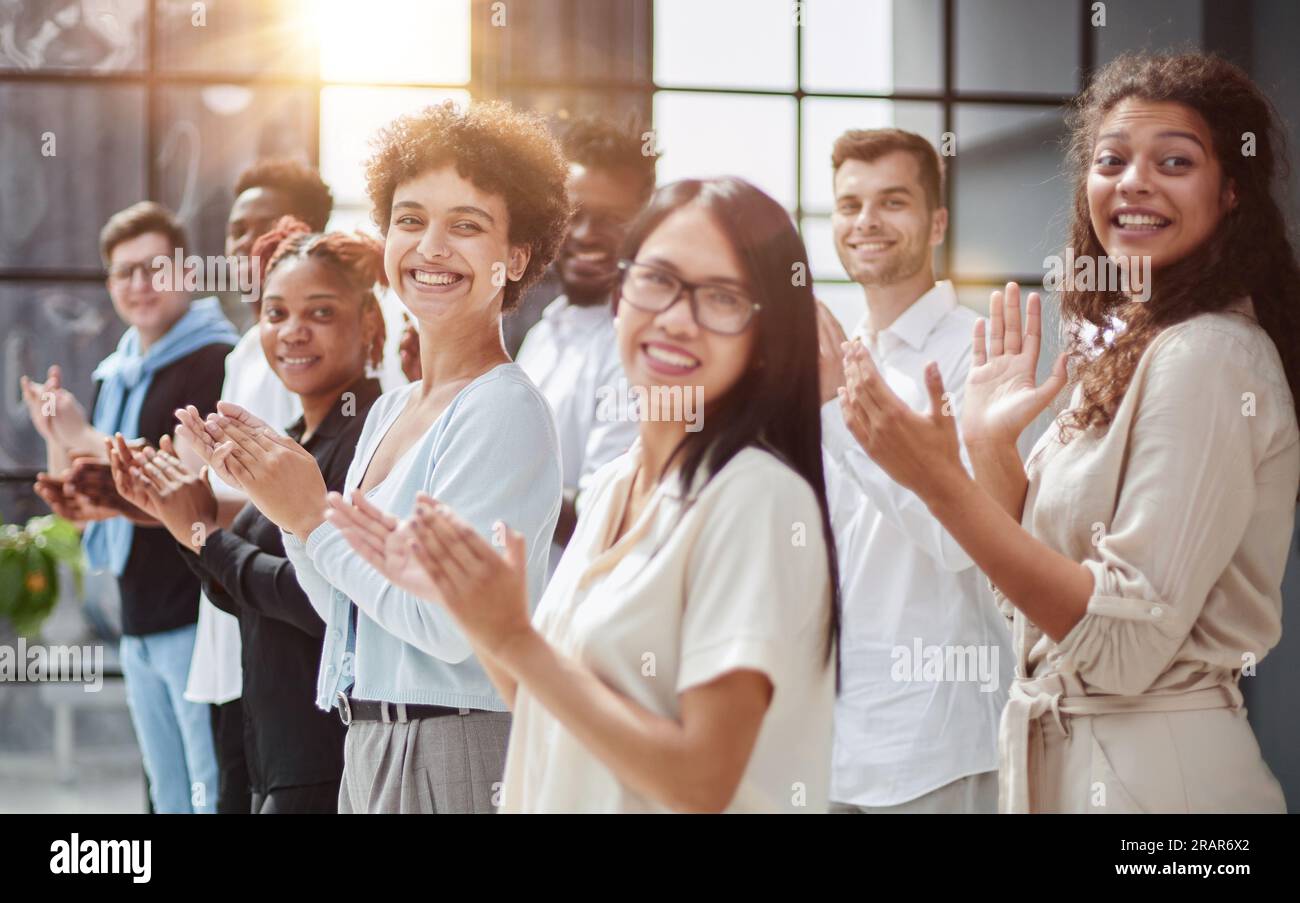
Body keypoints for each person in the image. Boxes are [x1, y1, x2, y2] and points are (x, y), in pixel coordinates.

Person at [838, 52, 1300, 813]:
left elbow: (1122, 646)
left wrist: (938, 482)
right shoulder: (1136, 351)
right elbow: (1036, 609)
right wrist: (989, 452)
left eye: (1173, 161)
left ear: (1231, 191)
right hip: (1083, 767)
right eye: (1110, 160)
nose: (1133, 182)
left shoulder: (1209, 354)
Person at [330, 177, 841, 813]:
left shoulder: (757, 496)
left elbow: (703, 783)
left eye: (721, 296)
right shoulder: (615, 489)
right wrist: (475, 612)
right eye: (657, 280)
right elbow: (552, 713)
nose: (677, 318)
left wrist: (515, 638)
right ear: (621, 297)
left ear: (766, 335)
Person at [177, 100, 569, 813]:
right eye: (411, 219)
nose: (431, 246)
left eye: (467, 225)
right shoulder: (391, 410)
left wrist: (312, 519)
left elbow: (451, 629)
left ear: (516, 257)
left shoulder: (503, 408)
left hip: (457, 744)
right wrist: (289, 515)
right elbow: (345, 609)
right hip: (368, 740)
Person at [109, 218, 386, 813]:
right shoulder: (291, 439)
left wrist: (203, 534)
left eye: (320, 312)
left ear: (368, 322)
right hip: (270, 750)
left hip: (325, 761)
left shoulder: (371, 436)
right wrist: (176, 510)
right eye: (276, 312)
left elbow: (328, 604)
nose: (292, 332)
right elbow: (237, 593)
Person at [816, 129, 1010, 814]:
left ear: (936, 223)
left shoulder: (982, 354)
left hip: (936, 744)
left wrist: (835, 410)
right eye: (848, 204)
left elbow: (963, 538)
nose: (865, 221)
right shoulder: (833, 357)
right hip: (833, 746)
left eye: (891, 201)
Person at [21, 201, 238, 813]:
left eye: (154, 268)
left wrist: (85, 434)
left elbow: (184, 476)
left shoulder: (216, 359)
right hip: (137, 613)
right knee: (165, 793)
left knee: (208, 787)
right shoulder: (118, 371)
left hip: (197, 609)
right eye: (124, 273)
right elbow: (91, 499)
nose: (139, 284)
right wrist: (54, 432)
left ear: (188, 275)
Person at [192, 157, 338, 815]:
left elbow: (298, 530)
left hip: (298, 670)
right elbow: (239, 504)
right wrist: (170, 505)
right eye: (236, 228)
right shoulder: (245, 353)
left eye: (268, 227)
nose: (248, 244)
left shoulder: (347, 393)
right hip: (234, 646)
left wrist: (196, 523)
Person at [514, 116, 654, 575]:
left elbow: (607, 514)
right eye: (575, 215)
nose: (588, 234)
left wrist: (496, 470)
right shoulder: (544, 332)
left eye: (614, 220)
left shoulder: (642, 349)